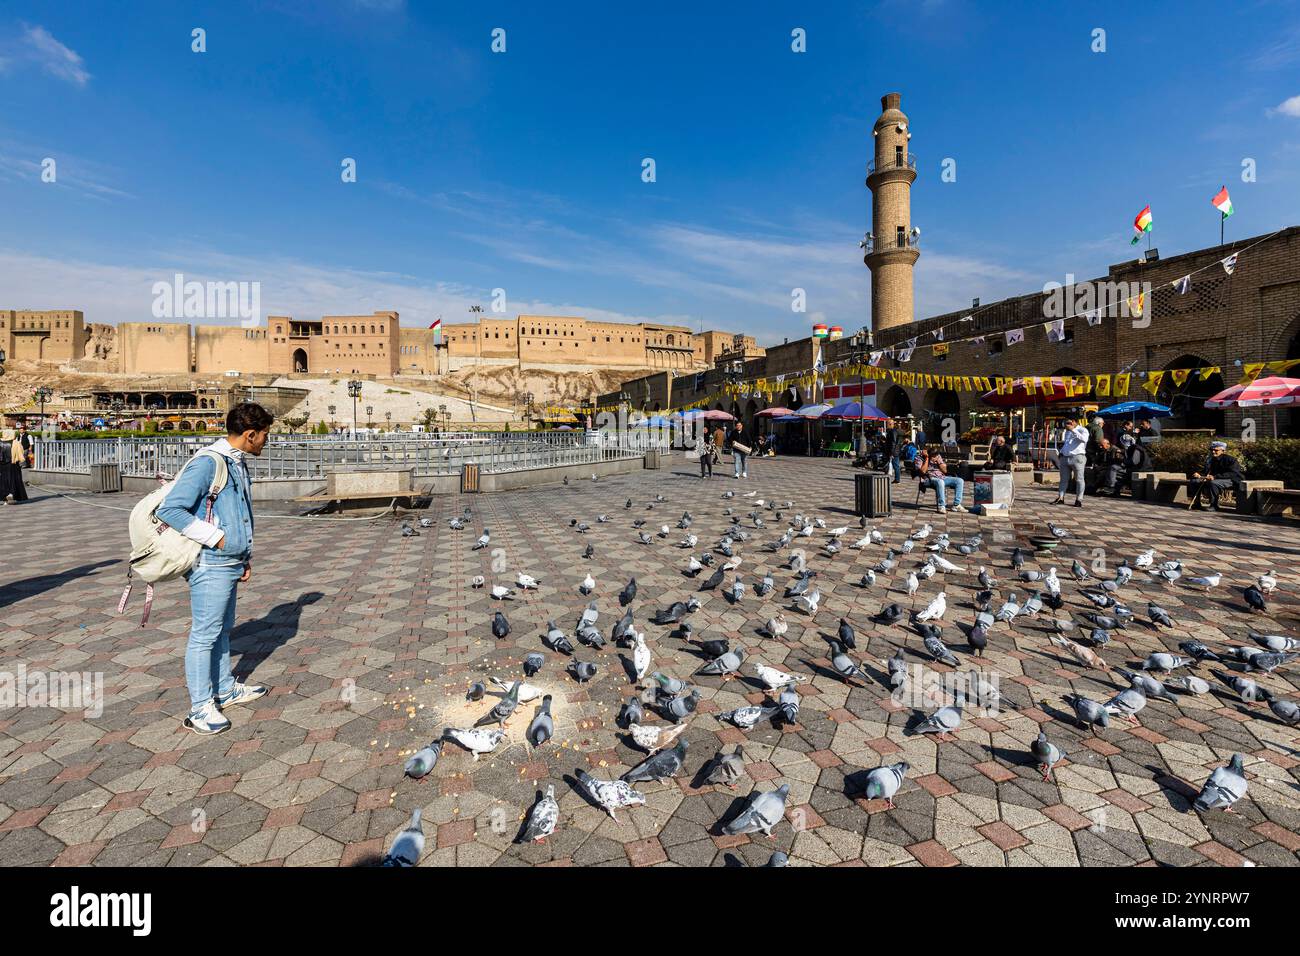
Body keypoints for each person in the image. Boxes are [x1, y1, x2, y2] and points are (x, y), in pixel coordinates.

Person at [157, 402, 275, 735]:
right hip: (210, 563)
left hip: (229, 562)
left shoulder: (236, 461)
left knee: (222, 629)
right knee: (204, 635)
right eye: (264, 435)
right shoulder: (209, 462)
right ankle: (199, 708)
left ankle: (224, 688)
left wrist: (242, 556)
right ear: (250, 434)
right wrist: (219, 539)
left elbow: (237, 513)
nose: (266, 441)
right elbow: (171, 510)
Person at [1190, 441, 1244, 511]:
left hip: (1232, 480)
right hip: (1217, 479)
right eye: (1212, 450)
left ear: (1223, 451)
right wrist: (1199, 474)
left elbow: (1233, 473)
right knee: (1194, 481)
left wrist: (1215, 477)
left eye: (1216, 450)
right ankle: (1197, 504)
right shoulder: (1211, 460)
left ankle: (1214, 505)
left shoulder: (1231, 460)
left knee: (1213, 483)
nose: (1213, 452)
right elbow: (1207, 472)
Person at [1054, 415, 1089, 507]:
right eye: (1065, 423)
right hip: (1065, 457)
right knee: (1063, 479)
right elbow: (1067, 443)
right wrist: (1061, 452)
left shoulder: (1083, 430)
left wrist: (1073, 430)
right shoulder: (1067, 432)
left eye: (1068, 423)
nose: (1066, 425)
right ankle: (1061, 497)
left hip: (1077, 457)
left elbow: (1084, 439)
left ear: (1073, 422)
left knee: (1079, 479)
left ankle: (1079, 500)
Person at [917, 448, 965, 514]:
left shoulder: (938, 456)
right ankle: (941, 506)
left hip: (941, 477)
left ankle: (956, 505)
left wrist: (938, 462)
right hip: (927, 479)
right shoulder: (919, 458)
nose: (935, 457)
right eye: (933, 456)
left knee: (959, 480)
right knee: (940, 482)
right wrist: (927, 458)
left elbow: (945, 471)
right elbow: (923, 471)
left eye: (936, 455)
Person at [883, 418, 902, 483]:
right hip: (894, 451)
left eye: (887, 424)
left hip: (894, 452)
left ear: (890, 424)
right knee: (894, 465)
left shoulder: (893, 431)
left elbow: (893, 442)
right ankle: (895, 479)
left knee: (896, 465)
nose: (886, 425)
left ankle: (897, 479)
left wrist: (891, 453)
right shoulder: (892, 431)